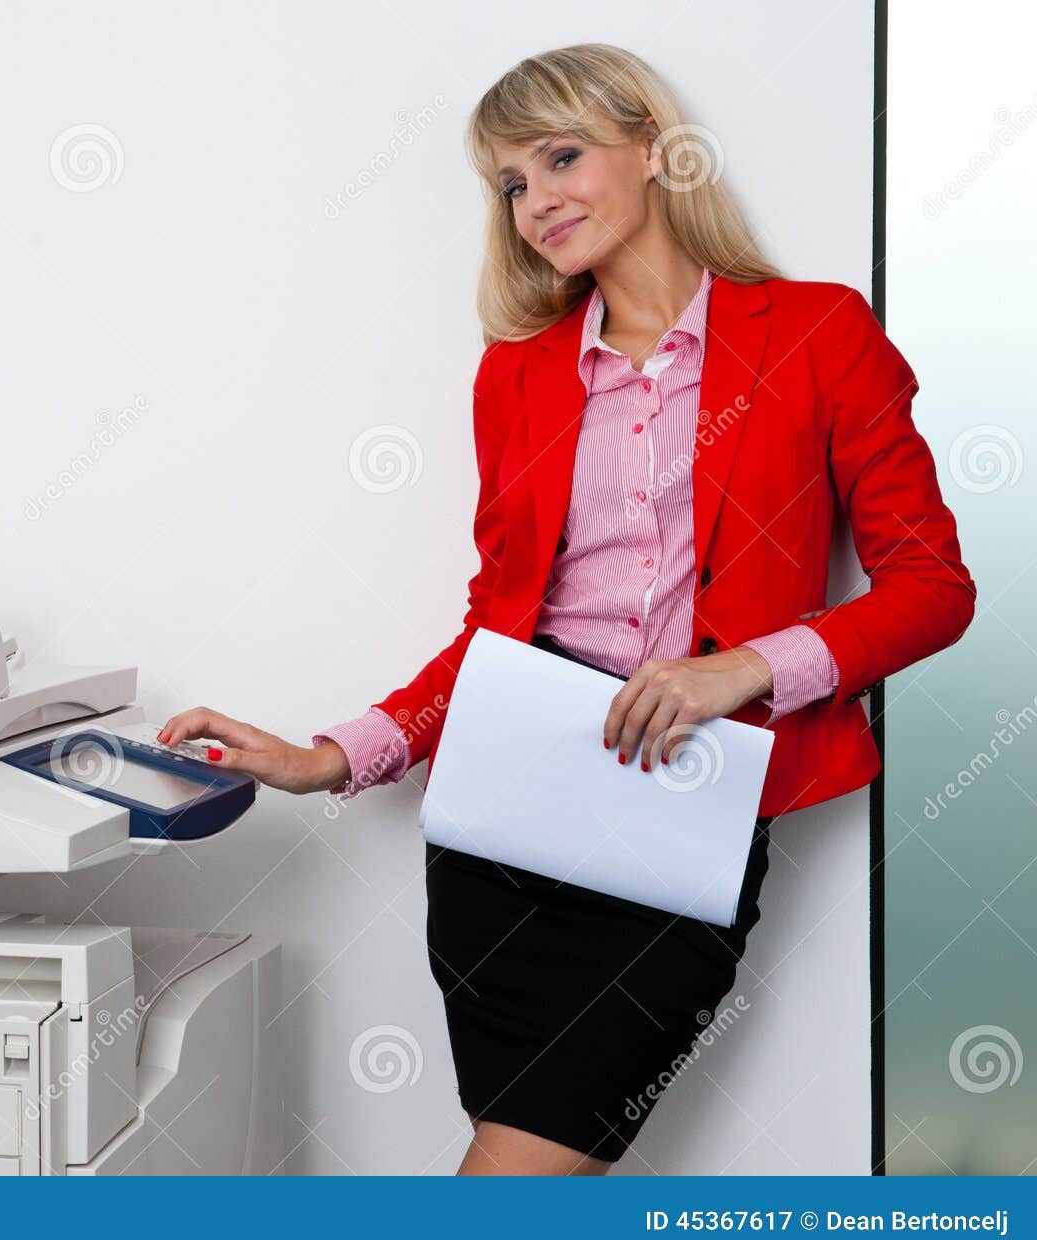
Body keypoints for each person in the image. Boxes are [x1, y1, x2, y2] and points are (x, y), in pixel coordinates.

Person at [159, 42, 976, 1175]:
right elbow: (495, 625)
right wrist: (332, 757)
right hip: (508, 821)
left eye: (559, 157)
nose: (535, 202)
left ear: (654, 147)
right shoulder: (521, 373)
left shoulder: (817, 334)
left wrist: (742, 669)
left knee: (519, 1182)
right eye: (509, 183)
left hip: (689, 806)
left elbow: (932, 590)